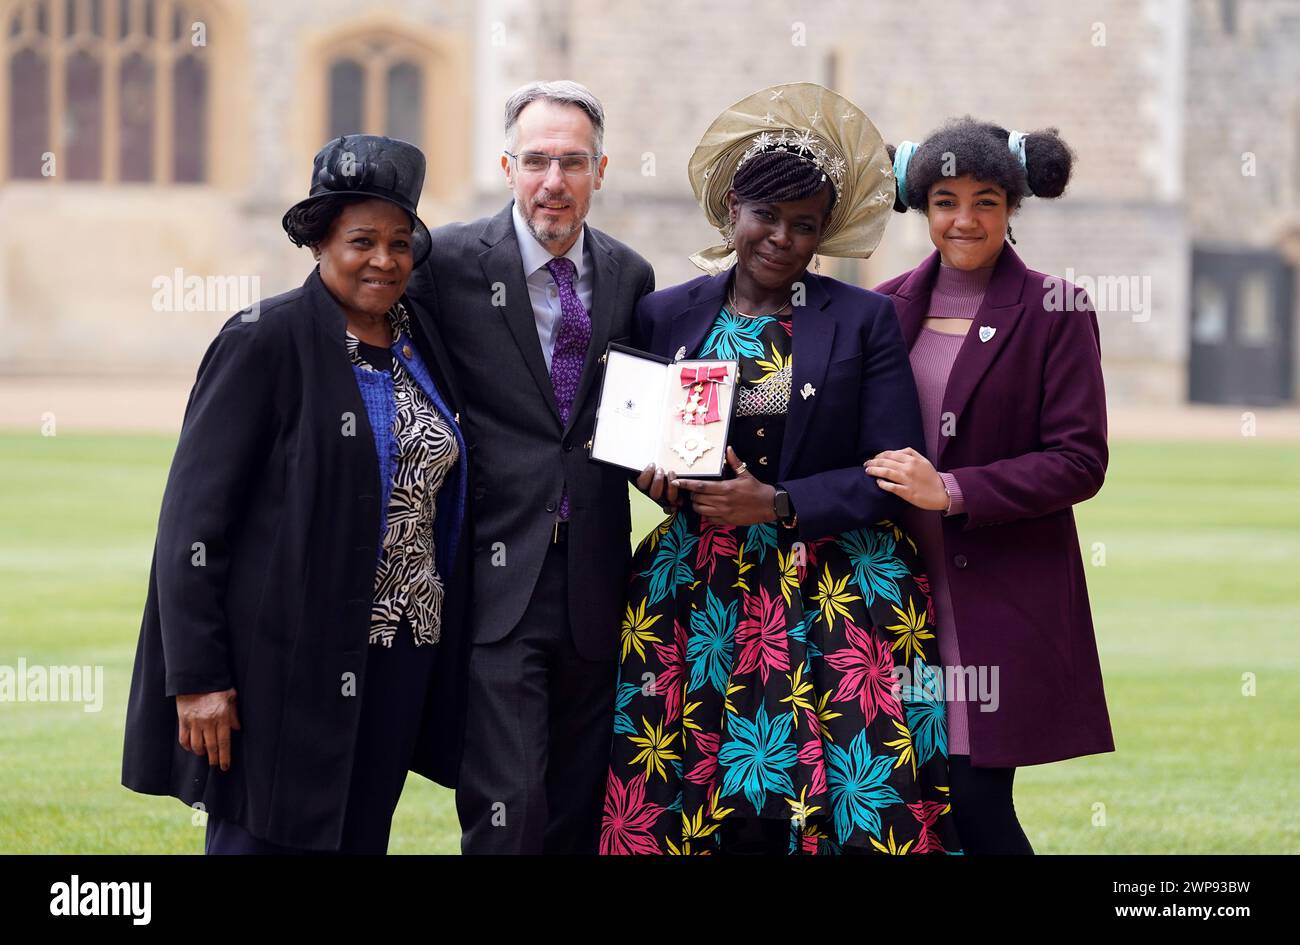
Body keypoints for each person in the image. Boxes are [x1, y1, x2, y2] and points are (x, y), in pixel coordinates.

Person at [600, 83, 960, 855]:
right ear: (732, 208)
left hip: (836, 588)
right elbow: (636, 435)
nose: (782, 239)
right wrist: (652, 479)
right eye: (766, 217)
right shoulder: (667, 313)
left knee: (847, 805)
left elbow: (892, 471)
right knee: (701, 800)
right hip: (697, 595)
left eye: (805, 226)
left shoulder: (863, 320)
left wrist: (780, 502)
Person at [121, 135, 471, 854]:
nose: (383, 259)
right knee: (263, 838)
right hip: (281, 660)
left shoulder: (421, 342)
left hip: (399, 653)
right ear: (319, 242)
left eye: (400, 243)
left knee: (357, 838)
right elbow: (192, 521)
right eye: (362, 240)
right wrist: (197, 678)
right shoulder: (264, 340)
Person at [404, 80, 655, 854]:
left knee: (581, 807)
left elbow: (631, 422)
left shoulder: (630, 276)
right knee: (510, 808)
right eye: (538, 160)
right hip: (494, 581)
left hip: (596, 585)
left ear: (601, 170)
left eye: (572, 162)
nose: (555, 181)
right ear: (508, 166)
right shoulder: (442, 263)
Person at [868, 117, 1114, 854]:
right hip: (893, 598)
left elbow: (1080, 460)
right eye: (945, 200)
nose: (964, 219)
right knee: (919, 809)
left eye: (985, 200)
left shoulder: (1055, 310)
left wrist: (953, 489)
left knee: (975, 801)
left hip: (1000, 598)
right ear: (922, 207)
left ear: (1013, 207)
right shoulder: (883, 307)